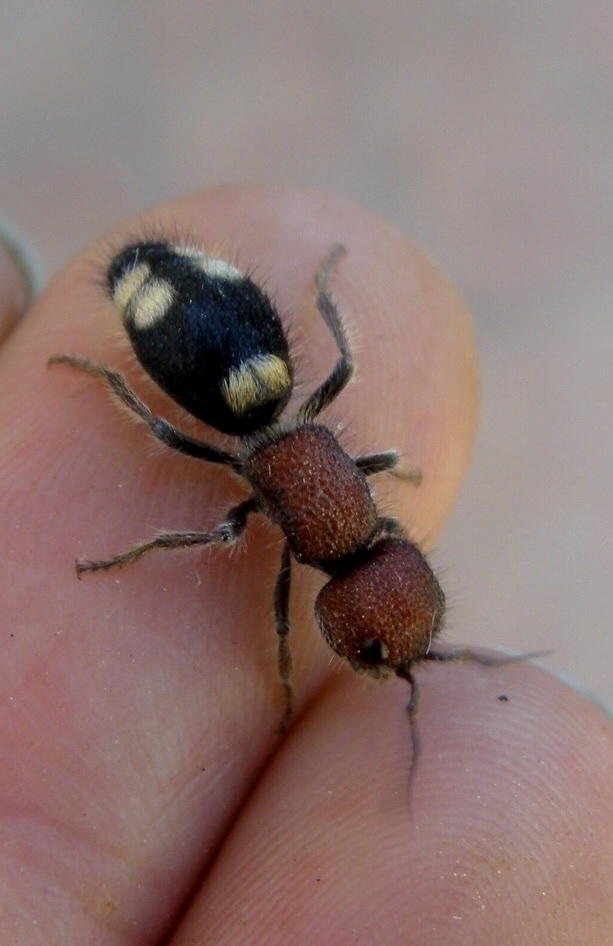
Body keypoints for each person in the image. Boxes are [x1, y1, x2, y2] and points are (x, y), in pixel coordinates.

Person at [1, 187, 611, 944]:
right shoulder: (314, 537)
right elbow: (268, 608)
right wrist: (146, 559)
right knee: (173, 447)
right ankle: (112, 386)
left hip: (243, 372)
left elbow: (348, 374)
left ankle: (122, 377)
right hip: (219, 362)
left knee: (307, 382)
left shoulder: (359, 486)